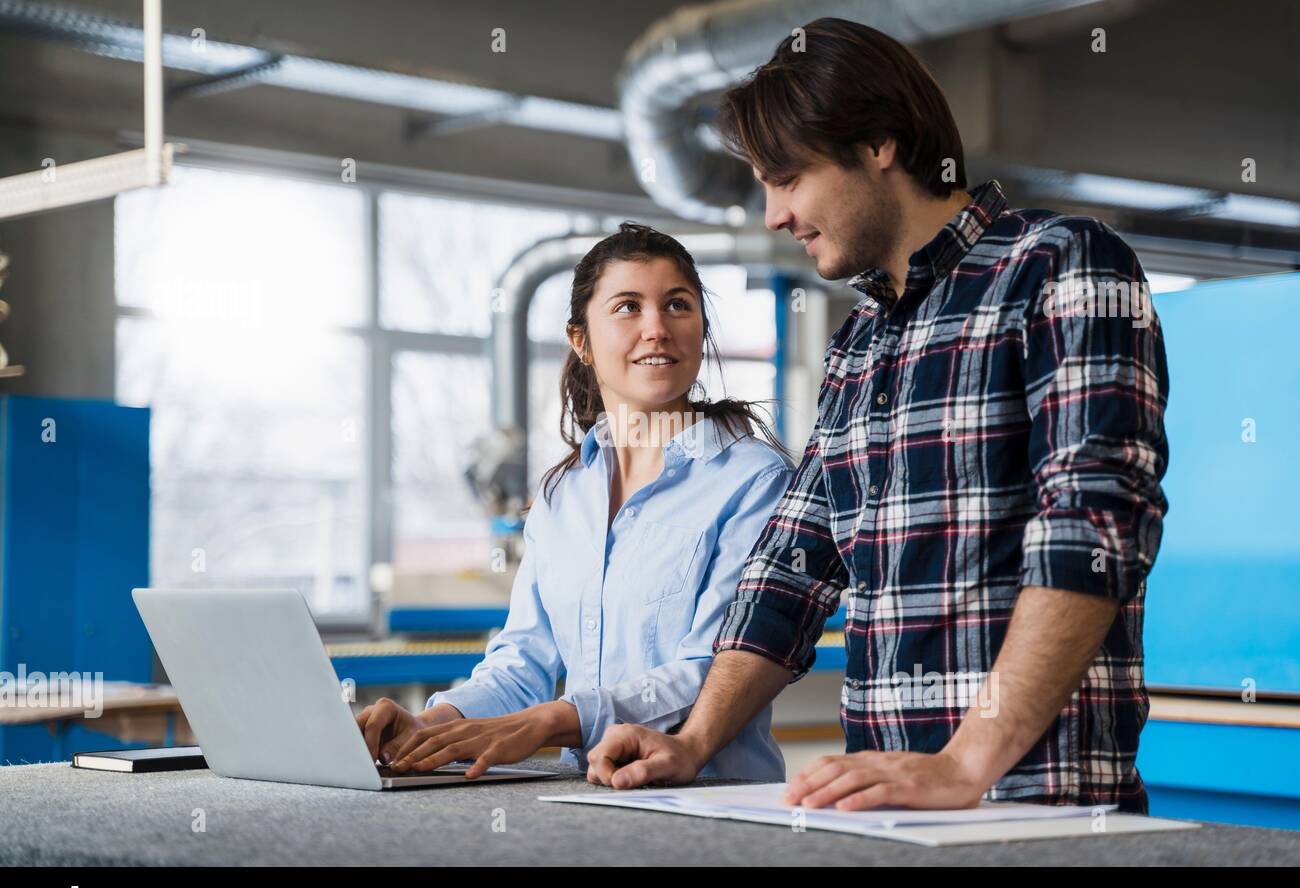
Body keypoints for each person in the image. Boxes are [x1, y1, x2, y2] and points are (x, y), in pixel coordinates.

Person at [588, 17, 1170, 814]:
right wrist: (693, 741)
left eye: (787, 177)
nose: (772, 215)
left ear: (879, 143)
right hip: (887, 807)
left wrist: (966, 764)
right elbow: (789, 570)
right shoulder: (859, 343)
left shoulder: (1062, 265)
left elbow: (1095, 525)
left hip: (1038, 808)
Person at [356, 222, 792, 780]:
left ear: (701, 329)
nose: (656, 328)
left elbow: (716, 669)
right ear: (581, 341)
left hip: (715, 799)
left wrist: (549, 722)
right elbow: (521, 662)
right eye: (628, 307)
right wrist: (434, 723)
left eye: (677, 305)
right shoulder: (563, 495)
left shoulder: (755, 480)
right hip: (588, 796)